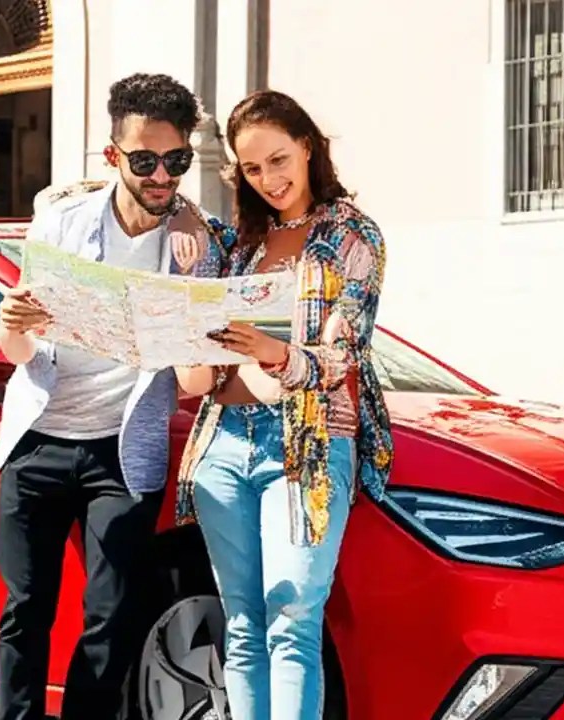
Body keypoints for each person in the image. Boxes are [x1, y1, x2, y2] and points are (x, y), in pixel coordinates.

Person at [0, 72, 224, 720]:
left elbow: (194, 381)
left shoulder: (196, 247)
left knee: (113, 616)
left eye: (175, 161)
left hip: (121, 457)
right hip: (39, 440)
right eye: (144, 160)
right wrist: (11, 330)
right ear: (113, 157)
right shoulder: (60, 223)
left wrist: (185, 296)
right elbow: (24, 354)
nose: (161, 176)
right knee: (24, 612)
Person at [173, 90, 394, 719]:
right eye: (251, 169)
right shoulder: (243, 242)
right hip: (222, 444)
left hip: (308, 445)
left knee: (293, 617)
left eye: (278, 159)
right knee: (242, 627)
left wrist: (273, 352)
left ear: (307, 146)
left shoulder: (351, 235)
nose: (268, 179)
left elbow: (344, 353)